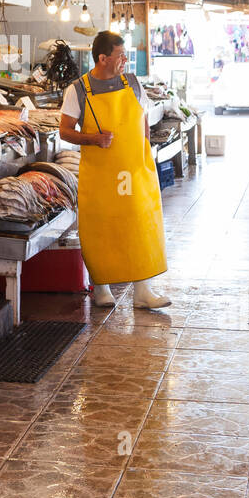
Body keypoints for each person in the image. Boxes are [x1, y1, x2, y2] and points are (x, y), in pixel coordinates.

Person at [59, 31, 170, 309]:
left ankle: (143, 290)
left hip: (133, 171)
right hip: (100, 174)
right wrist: (93, 139)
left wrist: (145, 153)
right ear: (103, 58)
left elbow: (143, 117)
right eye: (120, 56)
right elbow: (64, 131)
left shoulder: (132, 83)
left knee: (139, 224)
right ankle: (101, 288)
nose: (125, 61)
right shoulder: (78, 90)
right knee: (101, 227)